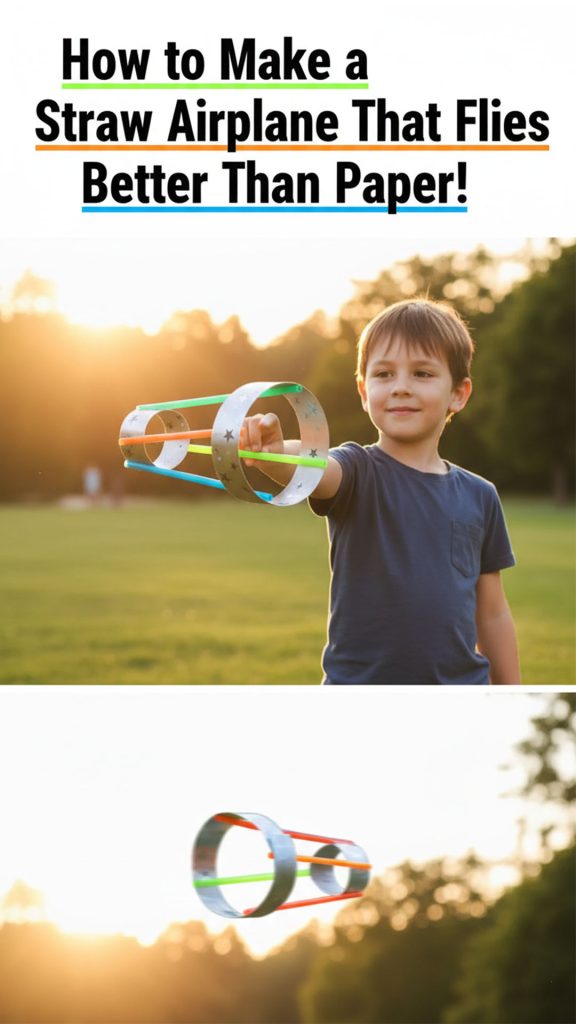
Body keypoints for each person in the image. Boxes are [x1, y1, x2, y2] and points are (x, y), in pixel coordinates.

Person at [241, 299, 521, 685]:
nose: (401, 387)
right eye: (384, 374)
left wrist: (510, 694)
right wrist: (273, 453)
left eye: (422, 373)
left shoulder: (480, 495)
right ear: (363, 390)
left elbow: (492, 613)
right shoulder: (358, 470)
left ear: (458, 393)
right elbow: (315, 464)